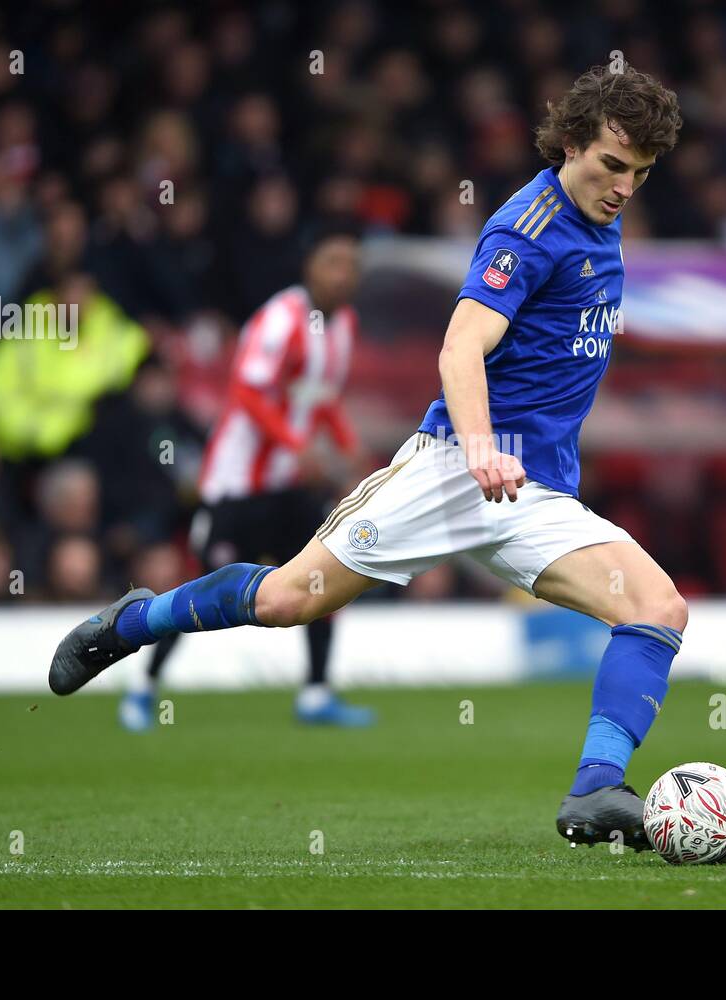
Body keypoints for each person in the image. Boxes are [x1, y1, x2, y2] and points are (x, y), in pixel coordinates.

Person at [48, 65, 686, 851]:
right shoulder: (526, 230)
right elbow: (461, 347)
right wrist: (482, 450)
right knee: (288, 601)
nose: (624, 187)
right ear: (570, 145)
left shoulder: (601, 218)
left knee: (657, 609)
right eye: (611, 166)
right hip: (457, 468)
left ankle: (596, 791)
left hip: (535, 489)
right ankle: (132, 621)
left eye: (640, 174)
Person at [118, 220, 375, 730]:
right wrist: (296, 445)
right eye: (333, 262)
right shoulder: (280, 318)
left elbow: (319, 402)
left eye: (351, 264)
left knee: (325, 575)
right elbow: (248, 394)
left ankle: (317, 692)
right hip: (237, 487)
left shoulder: (343, 326)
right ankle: (143, 685)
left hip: (289, 486)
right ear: (310, 268)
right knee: (201, 587)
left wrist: (352, 450)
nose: (343, 274)